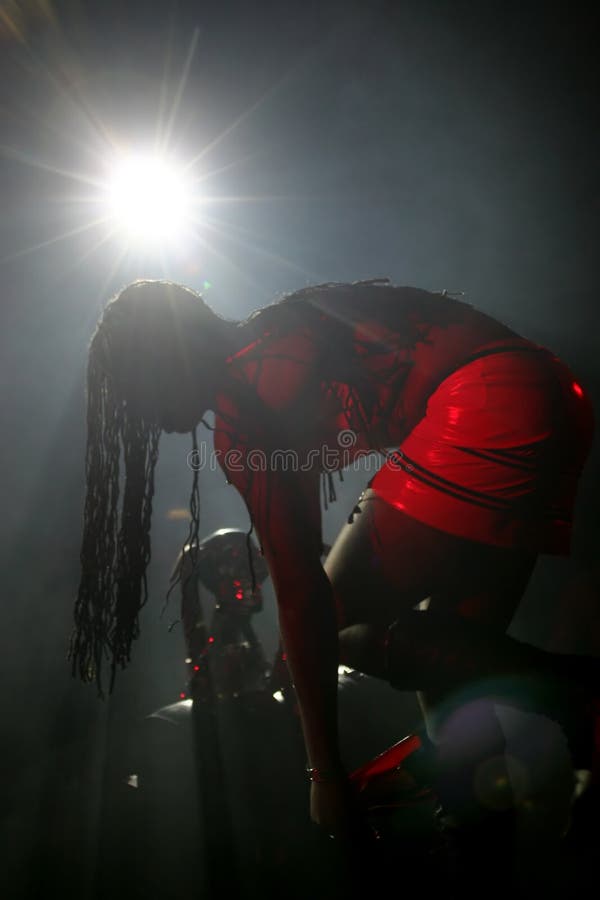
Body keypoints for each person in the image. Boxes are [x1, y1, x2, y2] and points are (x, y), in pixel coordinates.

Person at [71, 277, 596, 843]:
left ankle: (578, 693)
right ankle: (480, 819)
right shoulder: (284, 326)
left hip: (487, 402)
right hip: (547, 388)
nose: (139, 413)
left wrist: (323, 775)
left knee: (338, 621)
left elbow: (305, 598)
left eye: (132, 387)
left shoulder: (246, 407)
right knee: (453, 691)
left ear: (160, 359)